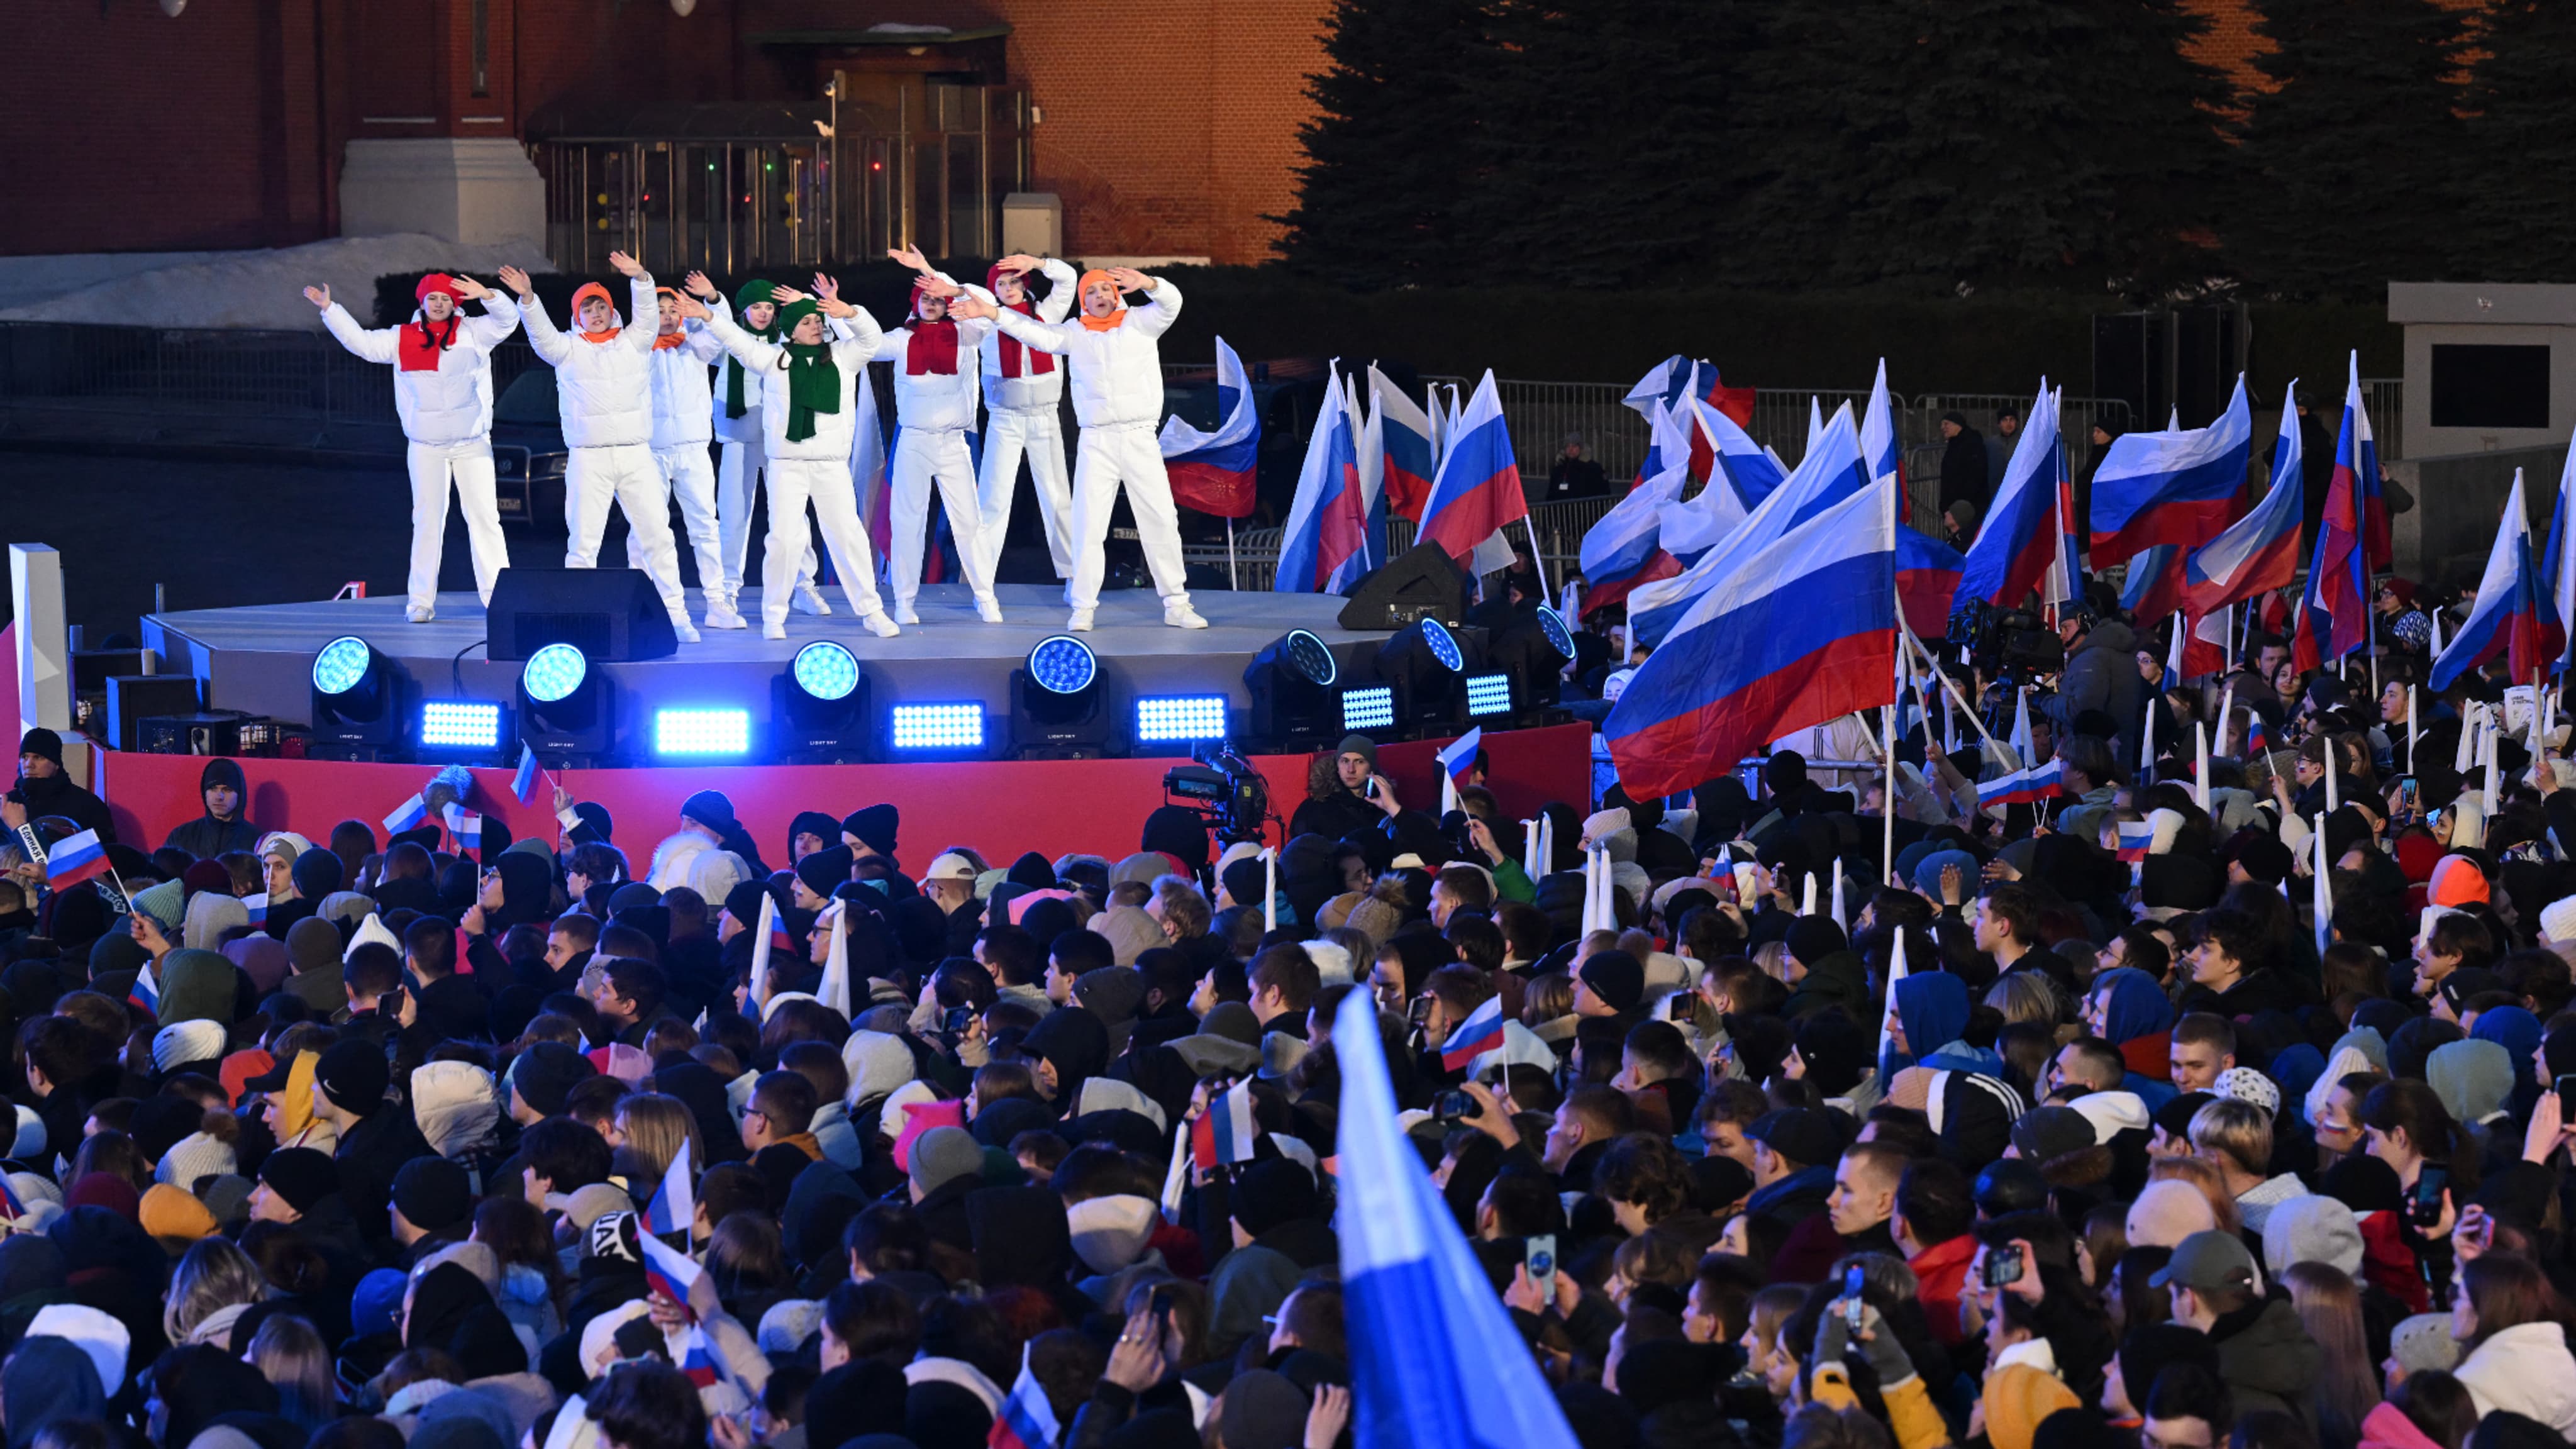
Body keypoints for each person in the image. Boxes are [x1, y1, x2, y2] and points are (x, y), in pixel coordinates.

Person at [948, 267, 1208, 632]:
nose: (1100, 295)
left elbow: (1173, 303)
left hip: (1139, 437)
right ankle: (1084, 606)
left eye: (1106, 289)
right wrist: (993, 313)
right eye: (1091, 292)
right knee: (1088, 525)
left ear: (1117, 294)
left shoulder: (1140, 322)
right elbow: (1034, 334)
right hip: (1097, 440)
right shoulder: (1076, 332)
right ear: (1083, 301)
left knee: (1161, 519)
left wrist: (1150, 284)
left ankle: (1177, 603)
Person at [675, 278, 902, 641]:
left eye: (818, 321)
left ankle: (872, 611)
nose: (816, 326)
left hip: (830, 464)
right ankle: (774, 616)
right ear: (791, 331)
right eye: (807, 322)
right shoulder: (774, 359)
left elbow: (871, 340)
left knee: (847, 535)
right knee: (782, 540)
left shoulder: (843, 356)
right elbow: (738, 341)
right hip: (787, 464)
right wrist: (708, 314)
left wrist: (850, 312)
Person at [498, 254, 701, 643]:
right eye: (587, 309)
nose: (596, 313)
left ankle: (676, 616)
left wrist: (642, 278)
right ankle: (579, 619)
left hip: (635, 454)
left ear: (612, 310)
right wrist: (528, 300)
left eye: (602, 306)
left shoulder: (635, 341)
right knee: (583, 542)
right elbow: (541, 335)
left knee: (657, 536)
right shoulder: (567, 349)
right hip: (589, 456)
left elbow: (646, 315)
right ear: (578, 316)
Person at [306, 271, 518, 623]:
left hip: (472, 444)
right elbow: (361, 343)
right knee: (427, 523)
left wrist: (488, 295)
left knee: (485, 520)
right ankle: (420, 601)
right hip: (426, 446)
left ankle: (498, 597)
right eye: (433, 298)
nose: (439, 305)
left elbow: (508, 320)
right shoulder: (401, 338)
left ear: (456, 304)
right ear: (422, 302)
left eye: (446, 299)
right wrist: (330, 309)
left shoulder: (474, 332)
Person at [880, 248, 1003, 625]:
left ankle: (985, 596)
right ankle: (904, 600)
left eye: (938, 298)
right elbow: (864, 343)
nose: (932, 304)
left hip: (953, 443)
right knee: (907, 521)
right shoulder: (902, 339)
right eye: (925, 299)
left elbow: (986, 304)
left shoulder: (967, 333)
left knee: (969, 522)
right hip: (914, 442)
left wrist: (933, 274)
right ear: (916, 304)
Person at [709, 277, 831, 621]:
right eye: (756, 307)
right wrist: (711, 301)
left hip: (780, 439)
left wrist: (804, 299)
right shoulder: (727, 339)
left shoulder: (786, 339)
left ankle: (804, 586)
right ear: (743, 310)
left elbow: (826, 333)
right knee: (734, 516)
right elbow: (704, 338)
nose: (763, 313)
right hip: (737, 435)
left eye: (769, 307)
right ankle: (727, 590)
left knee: (793, 514)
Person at [960, 254, 1082, 582]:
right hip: (1005, 418)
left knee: (1057, 496)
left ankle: (1074, 576)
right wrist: (929, 273)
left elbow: (1069, 279)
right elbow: (957, 293)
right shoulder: (985, 320)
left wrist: (1040, 263)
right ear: (993, 290)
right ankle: (980, 578)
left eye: (1014, 281)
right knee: (993, 497)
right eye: (1001, 284)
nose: (1009, 288)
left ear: (1025, 282)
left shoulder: (1047, 313)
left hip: (1044, 416)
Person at [640, 272, 741, 630]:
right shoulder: (634, 349)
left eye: (672, 310)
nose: (667, 316)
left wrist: (712, 298)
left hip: (694, 448)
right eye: (659, 310)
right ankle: (644, 603)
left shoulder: (696, 344)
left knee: (704, 527)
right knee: (646, 530)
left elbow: (723, 330)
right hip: (649, 452)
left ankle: (717, 602)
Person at [160, 757, 258, 858]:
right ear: (204, 793)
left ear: (240, 794)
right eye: (213, 789)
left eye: (227, 790)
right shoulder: (181, 836)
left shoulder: (257, 841)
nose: (219, 797)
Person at [1940, 412, 1989, 511]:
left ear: (1957, 425)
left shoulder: (1972, 445)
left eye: (1946, 424)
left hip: (1967, 507)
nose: (1942, 428)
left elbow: (1975, 476)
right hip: (1956, 506)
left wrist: (1963, 503)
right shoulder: (1954, 444)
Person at [1546, 433, 1608, 502]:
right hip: (1561, 511)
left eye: (1574, 446)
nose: (1571, 449)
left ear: (1581, 449)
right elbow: (1551, 494)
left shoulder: (1593, 468)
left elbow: (1604, 492)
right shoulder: (1558, 470)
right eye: (1568, 446)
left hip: (1585, 510)